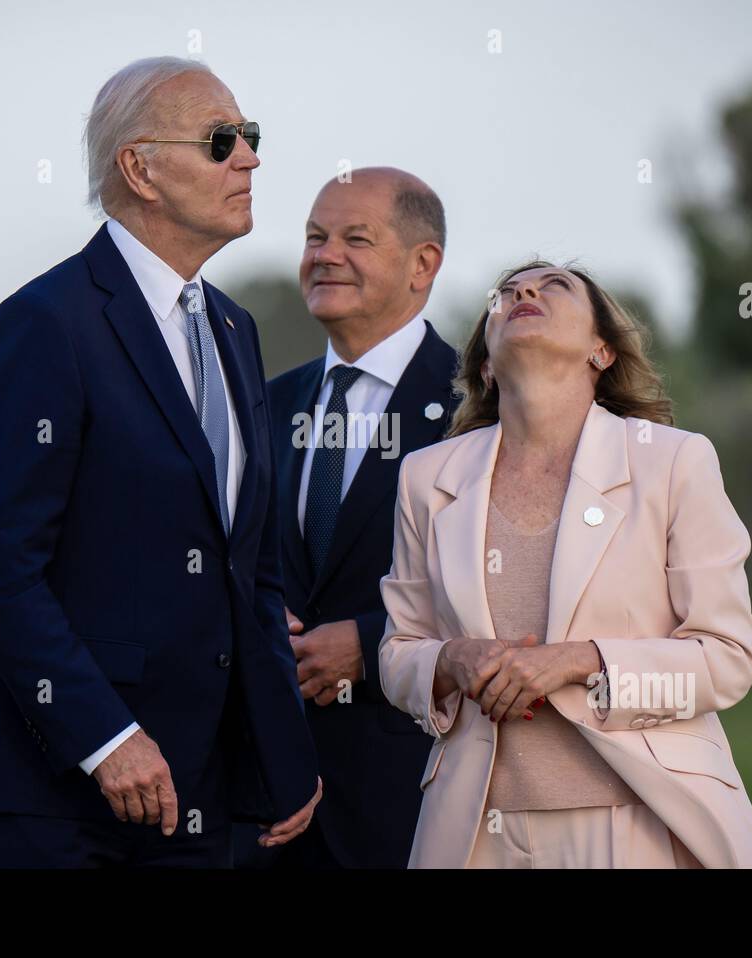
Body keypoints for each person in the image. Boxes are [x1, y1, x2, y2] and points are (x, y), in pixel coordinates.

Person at [0, 56, 320, 868]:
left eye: (250, 137)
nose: (250, 158)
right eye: (222, 140)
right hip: (57, 797)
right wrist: (105, 737)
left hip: (197, 799)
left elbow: (247, 570)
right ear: (140, 169)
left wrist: (282, 751)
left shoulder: (232, 328)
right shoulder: (46, 324)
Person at [377, 259, 752, 868]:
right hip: (475, 836)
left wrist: (579, 660)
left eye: (552, 286)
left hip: (637, 822)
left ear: (602, 350)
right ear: (486, 363)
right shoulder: (426, 478)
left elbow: (726, 659)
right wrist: (450, 660)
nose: (523, 293)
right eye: (505, 294)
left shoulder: (675, 462)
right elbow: (398, 654)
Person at [248, 168, 459, 868]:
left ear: (422, 264)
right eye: (314, 237)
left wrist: (370, 645)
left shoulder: (479, 410)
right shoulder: (266, 404)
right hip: (270, 802)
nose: (324, 254)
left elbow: (519, 587)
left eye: (355, 238)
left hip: (415, 795)